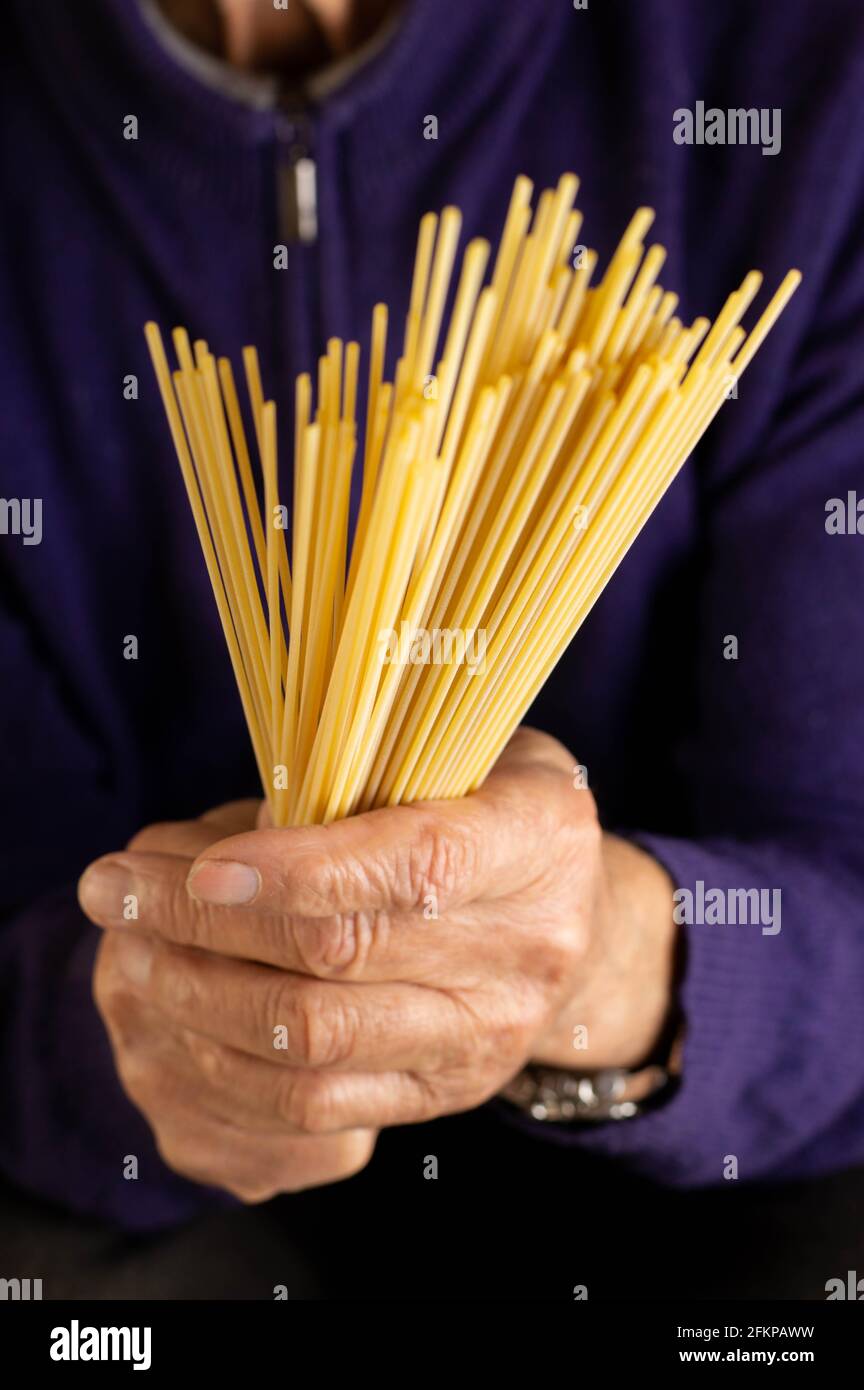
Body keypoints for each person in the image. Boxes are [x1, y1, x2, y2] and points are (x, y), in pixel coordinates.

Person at [1, 0, 863, 1286]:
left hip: (691, 1186)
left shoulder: (796, 78)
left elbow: (840, 894)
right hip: (141, 1198)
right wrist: (144, 1033)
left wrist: (603, 949)